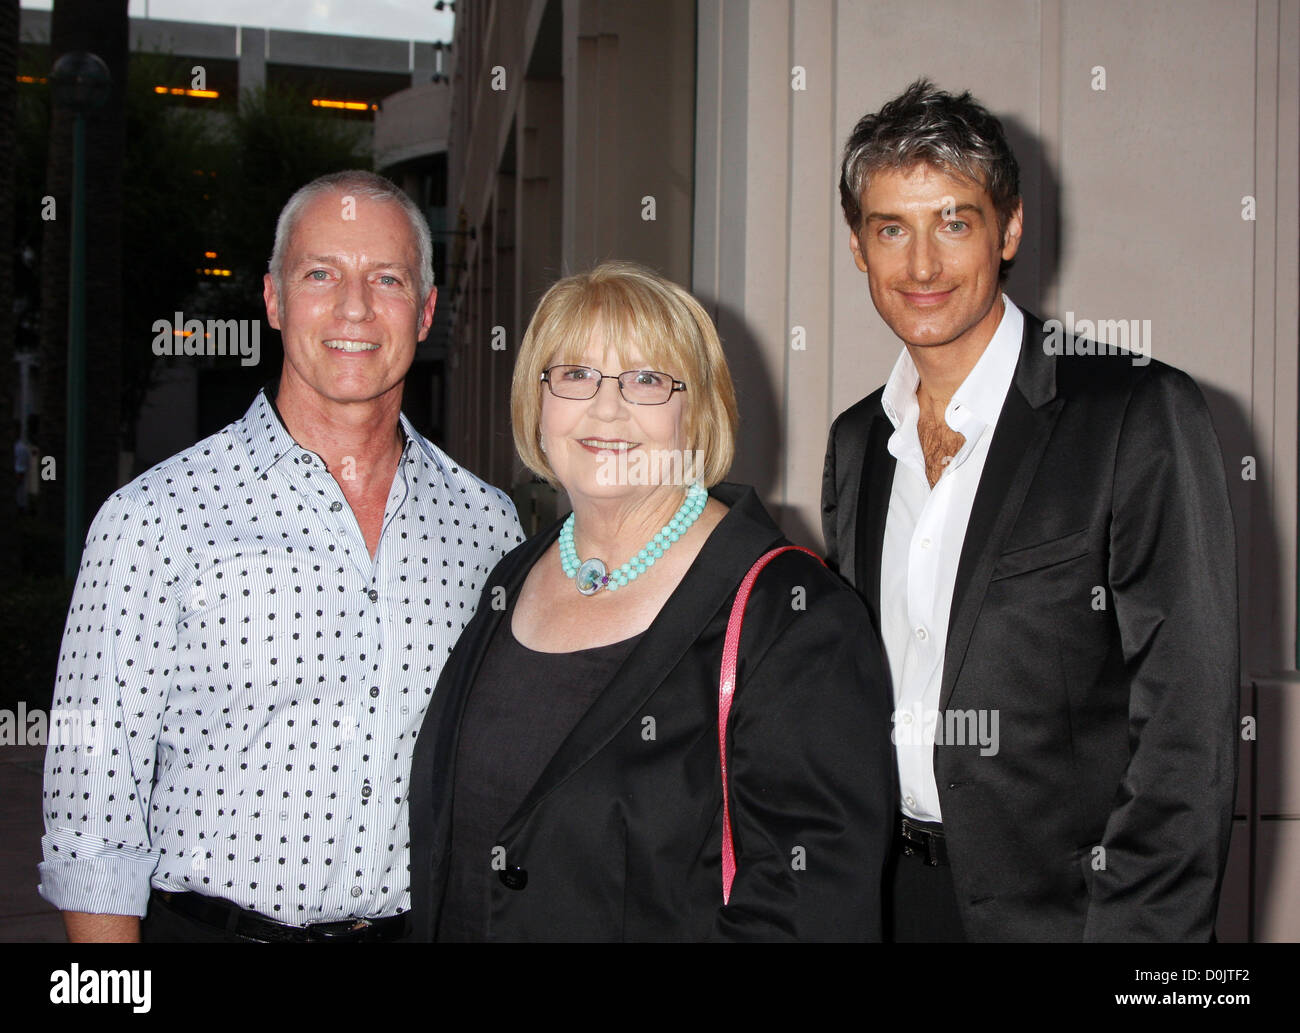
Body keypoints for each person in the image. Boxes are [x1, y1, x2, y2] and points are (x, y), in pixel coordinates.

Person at [39, 170, 522, 942]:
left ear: (426, 310)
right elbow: (87, 813)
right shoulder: (152, 520)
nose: (355, 306)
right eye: (321, 273)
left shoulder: (488, 526)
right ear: (272, 299)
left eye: (387, 278)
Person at [822, 80, 1239, 942]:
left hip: (1073, 921)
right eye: (891, 229)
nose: (922, 266)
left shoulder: (1135, 413)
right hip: (885, 903)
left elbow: (1186, 736)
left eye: (955, 222)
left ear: (1009, 229)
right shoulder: (857, 442)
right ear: (859, 248)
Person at [409, 261, 892, 941]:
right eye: (574, 374)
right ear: (537, 401)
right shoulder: (512, 575)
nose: (606, 407)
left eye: (645, 379)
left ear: (695, 413)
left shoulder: (794, 615)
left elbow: (809, 910)